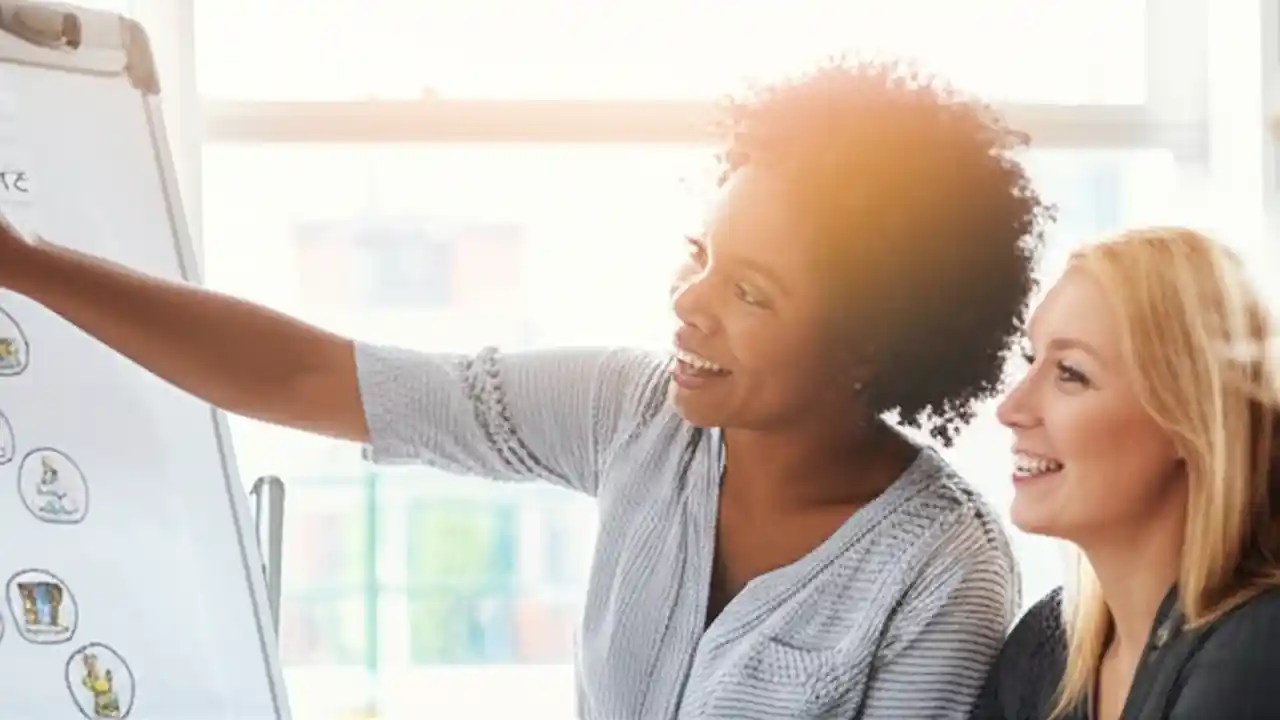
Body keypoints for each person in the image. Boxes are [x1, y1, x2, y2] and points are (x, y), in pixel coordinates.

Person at [0, 60, 1049, 718]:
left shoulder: (941, 576)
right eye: (698, 254)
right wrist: (26, 262)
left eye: (749, 291)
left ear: (872, 339)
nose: (688, 304)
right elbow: (308, 375)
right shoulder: (634, 415)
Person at [972, 227, 1280, 719]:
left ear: (1191, 420)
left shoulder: (1260, 647)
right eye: (1031, 361)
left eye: (1070, 373)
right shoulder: (1044, 649)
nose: (1011, 408)